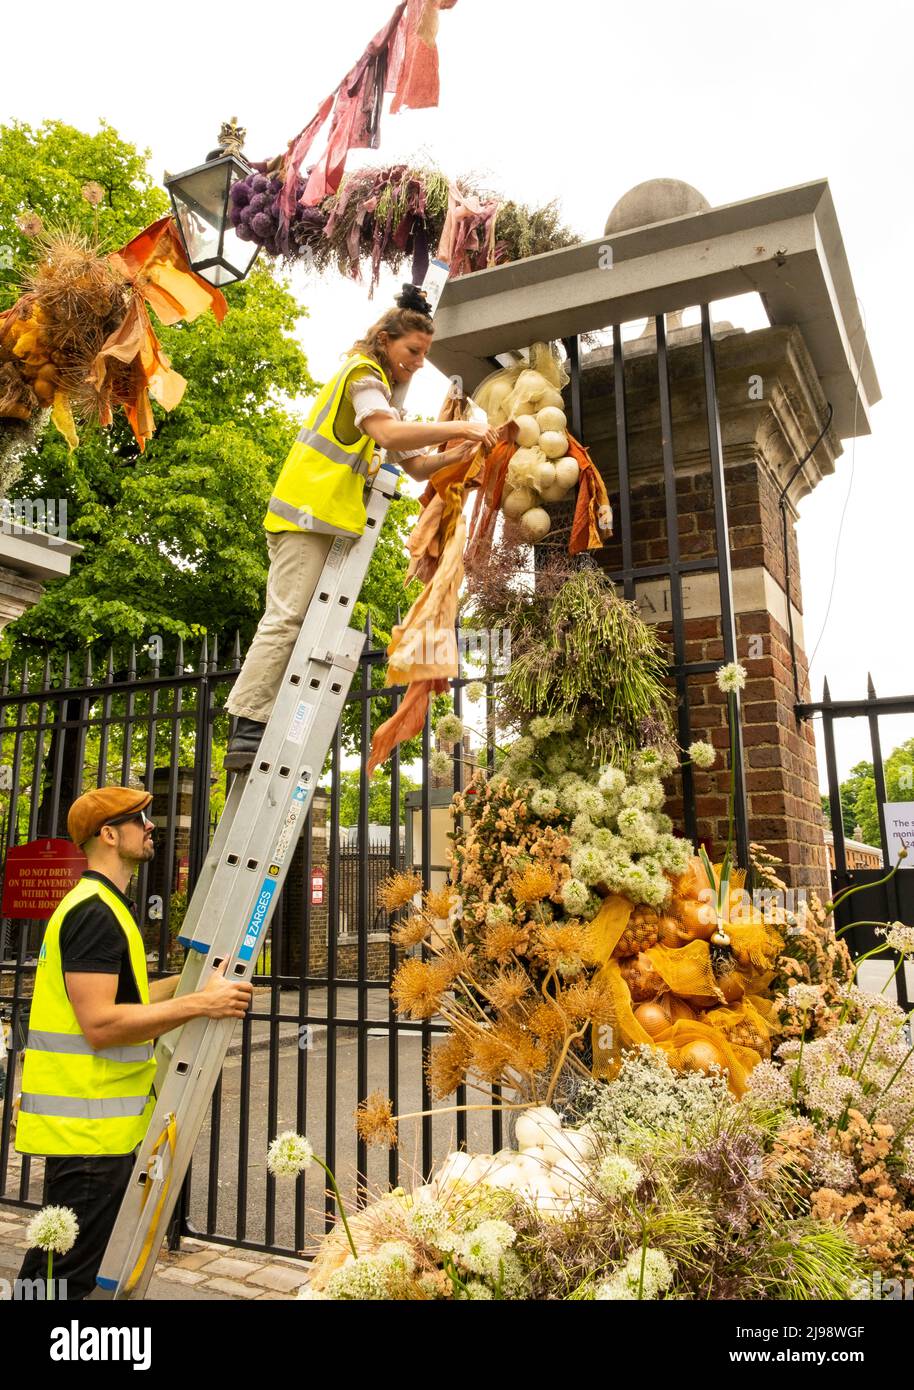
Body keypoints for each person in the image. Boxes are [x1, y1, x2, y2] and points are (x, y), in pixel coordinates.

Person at [223, 283, 497, 769]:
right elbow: (388, 434)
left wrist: (462, 457)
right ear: (386, 339)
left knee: (301, 623)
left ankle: (268, 720)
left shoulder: (382, 391)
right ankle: (247, 726)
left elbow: (411, 465)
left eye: (424, 354)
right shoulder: (362, 374)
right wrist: (463, 428)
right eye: (413, 351)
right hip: (304, 514)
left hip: (327, 520)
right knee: (286, 618)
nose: (417, 361)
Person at [14, 785, 253, 1299]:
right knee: (63, 1274)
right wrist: (201, 1005)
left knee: (63, 1265)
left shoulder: (109, 908)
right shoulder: (94, 913)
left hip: (102, 1131)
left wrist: (202, 983)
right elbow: (101, 1024)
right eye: (139, 821)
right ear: (108, 834)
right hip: (88, 1137)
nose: (151, 828)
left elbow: (132, 998)